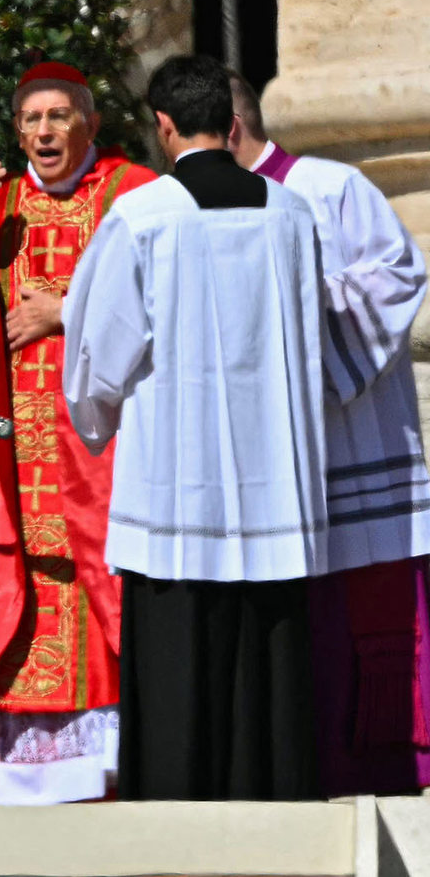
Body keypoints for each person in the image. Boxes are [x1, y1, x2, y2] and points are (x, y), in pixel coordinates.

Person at [63, 55, 329, 800]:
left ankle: (179, 824)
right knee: (267, 669)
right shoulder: (293, 214)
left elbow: (100, 352)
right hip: (275, 485)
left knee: (184, 671)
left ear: (165, 126)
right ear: (233, 123)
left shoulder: (143, 219)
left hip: (176, 489)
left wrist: (93, 417)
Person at [0, 62, 154, 804]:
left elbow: (162, 289)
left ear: (90, 125)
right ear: (17, 134)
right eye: (31, 122)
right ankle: (6, 776)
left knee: (93, 585)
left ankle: (98, 771)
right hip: (11, 455)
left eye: (58, 117)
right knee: (6, 585)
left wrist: (66, 308)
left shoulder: (131, 194)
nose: (44, 133)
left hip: (101, 451)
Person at [227, 69, 430, 796]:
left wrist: (296, 339)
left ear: (228, 126)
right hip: (267, 472)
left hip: (353, 446)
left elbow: (402, 274)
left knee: (367, 630)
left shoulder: (330, 187)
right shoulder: (204, 207)